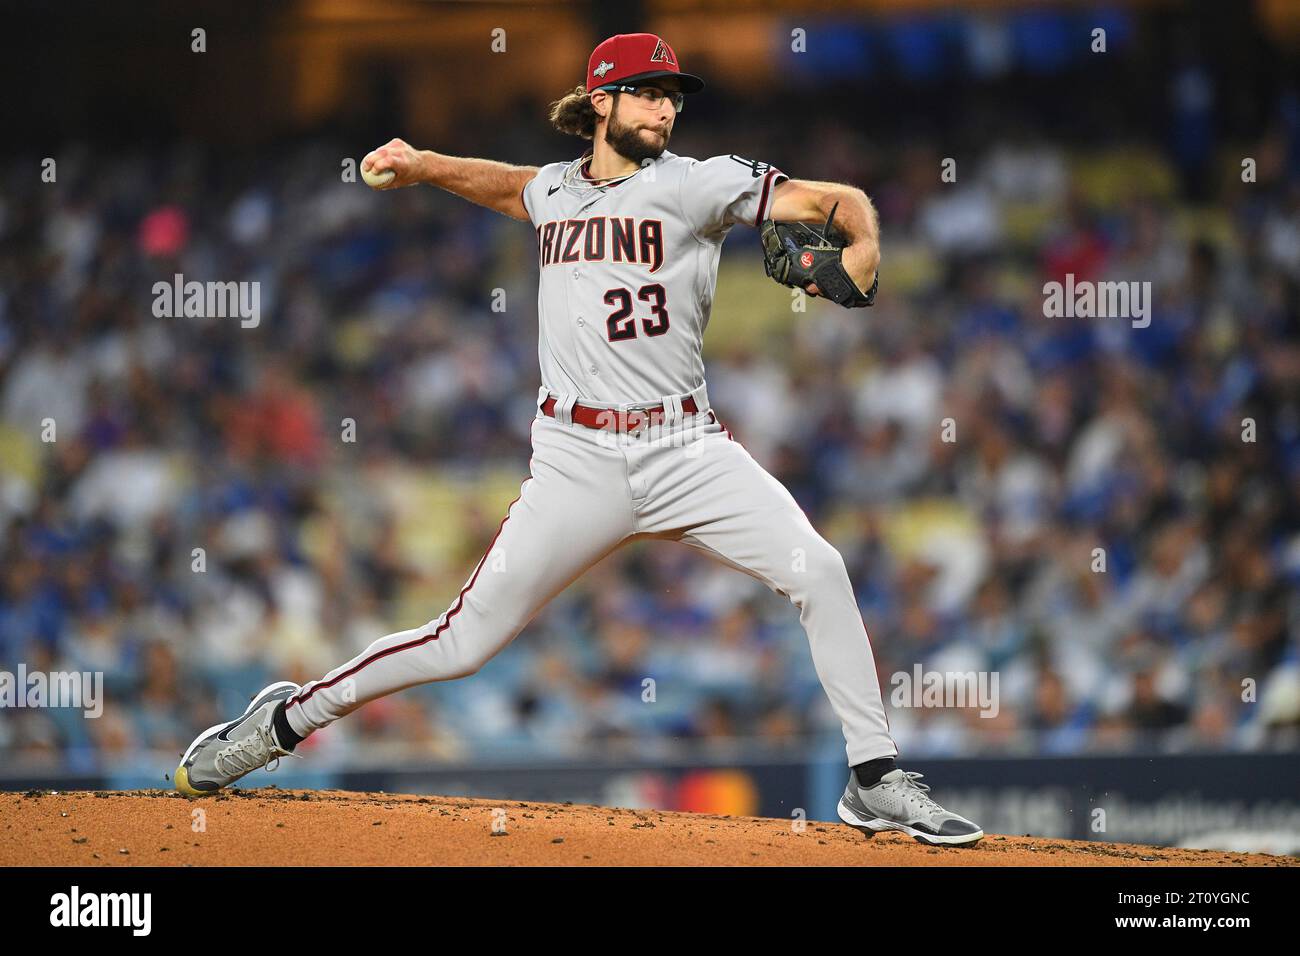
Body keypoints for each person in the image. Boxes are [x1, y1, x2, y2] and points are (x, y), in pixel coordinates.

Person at [176, 32, 983, 846]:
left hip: (686, 450)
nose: (665, 106)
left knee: (822, 569)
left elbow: (834, 202)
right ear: (602, 101)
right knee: (462, 643)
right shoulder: (558, 191)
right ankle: (284, 720)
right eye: (646, 91)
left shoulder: (701, 184)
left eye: (672, 94)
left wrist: (866, 247)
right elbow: (514, 188)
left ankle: (874, 777)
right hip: (576, 460)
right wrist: (424, 164)